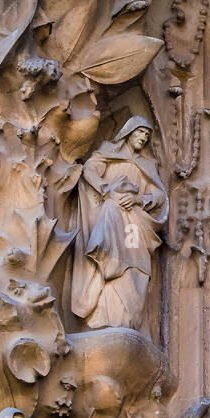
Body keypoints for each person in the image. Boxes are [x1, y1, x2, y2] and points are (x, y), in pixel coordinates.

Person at [73, 116, 168, 329]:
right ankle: (104, 320)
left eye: (147, 135)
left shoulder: (147, 164)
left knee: (135, 270)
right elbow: (89, 169)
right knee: (109, 260)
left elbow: (160, 196)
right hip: (112, 216)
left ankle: (128, 323)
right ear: (129, 131)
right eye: (140, 132)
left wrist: (140, 199)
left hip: (136, 226)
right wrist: (107, 190)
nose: (144, 138)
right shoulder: (109, 151)